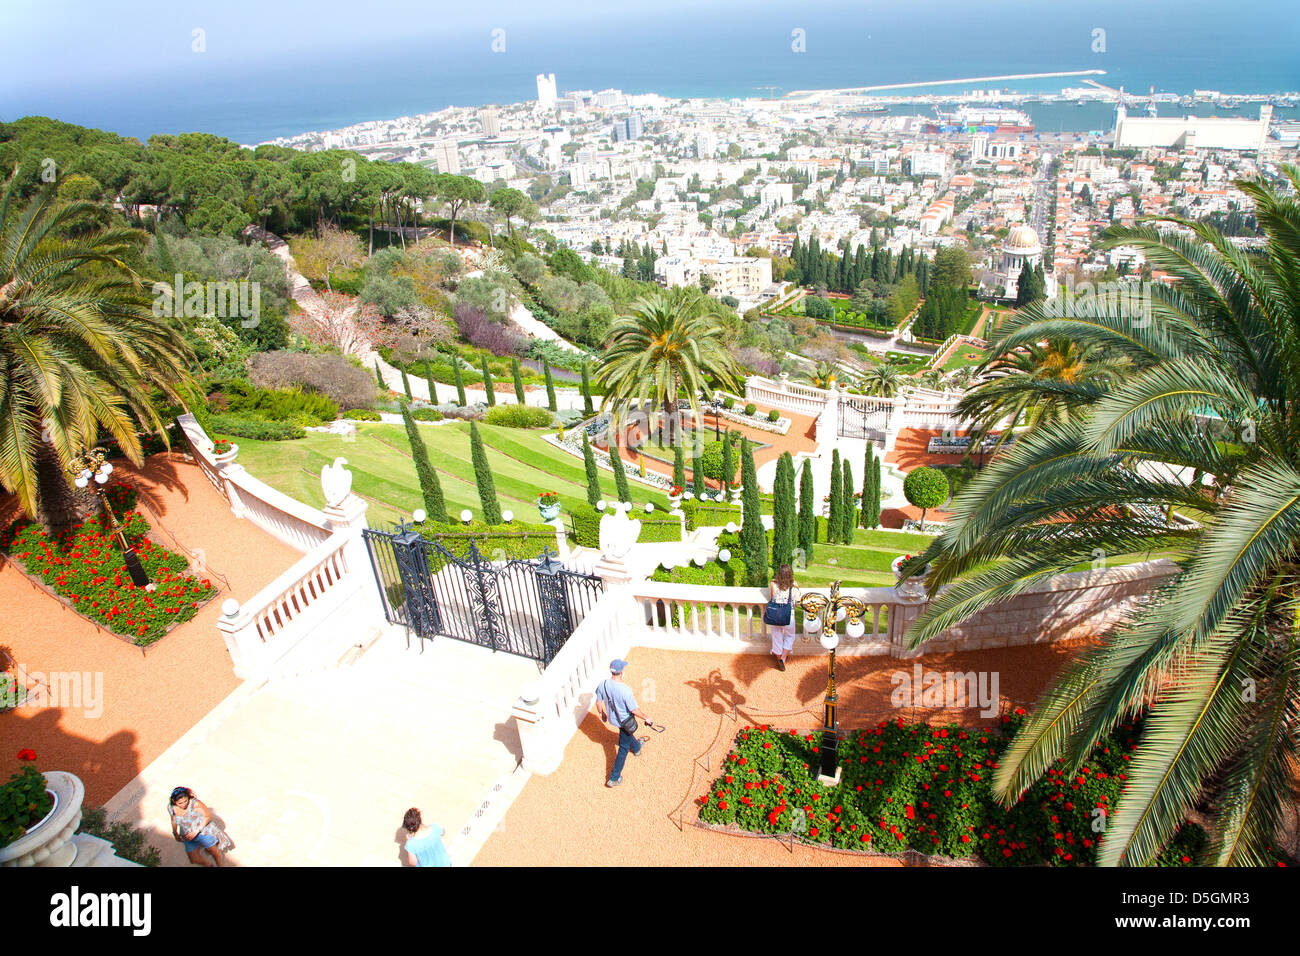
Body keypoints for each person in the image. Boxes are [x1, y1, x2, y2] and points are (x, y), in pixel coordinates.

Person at [594, 658, 653, 788]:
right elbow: (633, 709)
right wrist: (646, 718)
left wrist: (601, 713)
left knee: (626, 735)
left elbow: (598, 702)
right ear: (621, 672)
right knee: (623, 747)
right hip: (625, 721)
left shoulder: (603, 684)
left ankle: (637, 747)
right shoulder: (625, 690)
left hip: (613, 719)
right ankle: (614, 777)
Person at [168, 786, 234, 866]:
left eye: (186, 801)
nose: (183, 804)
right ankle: (209, 865)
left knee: (214, 852)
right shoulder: (171, 807)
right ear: (174, 801)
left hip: (202, 831)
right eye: (180, 803)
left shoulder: (196, 803)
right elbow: (173, 819)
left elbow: (208, 816)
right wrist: (175, 833)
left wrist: (196, 831)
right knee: (193, 859)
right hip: (187, 835)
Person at [768, 563, 800, 671]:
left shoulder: (773, 583)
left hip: (774, 615)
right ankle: (783, 658)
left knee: (776, 636)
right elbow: (797, 599)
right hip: (788, 615)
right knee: (790, 636)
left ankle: (779, 658)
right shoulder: (793, 584)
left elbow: (771, 597)